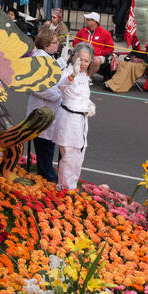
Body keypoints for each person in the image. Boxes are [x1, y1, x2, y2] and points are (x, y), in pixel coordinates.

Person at [49, 43, 96, 191]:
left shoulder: (84, 75)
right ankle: (64, 187)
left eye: (86, 61)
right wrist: (72, 75)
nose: (83, 63)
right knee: (68, 155)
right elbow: (61, 86)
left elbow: (83, 97)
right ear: (74, 57)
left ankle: (72, 186)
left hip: (81, 120)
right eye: (80, 59)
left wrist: (91, 105)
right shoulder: (68, 72)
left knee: (79, 155)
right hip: (69, 118)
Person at [28, 26, 64, 182]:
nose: (57, 45)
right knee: (45, 146)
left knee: (48, 145)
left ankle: (47, 174)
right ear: (45, 44)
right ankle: (47, 177)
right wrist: (58, 94)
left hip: (49, 110)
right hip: (42, 110)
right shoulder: (39, 60)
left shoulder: (47, 57)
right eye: (55, 42)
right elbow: (38, 87)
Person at [72, 12, 115, 77]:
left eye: (88, 20)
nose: (86, 21)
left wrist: (100, 52)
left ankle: (87, 77)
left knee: (96, 61)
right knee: (76, 58)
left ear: (95, 21)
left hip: (98, 55)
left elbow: (110, 48)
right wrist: (80, 51)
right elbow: (75, 43)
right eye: (86, 19)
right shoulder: (82, 31)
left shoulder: (105, 33)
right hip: (83, 54)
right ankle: (81, 76)